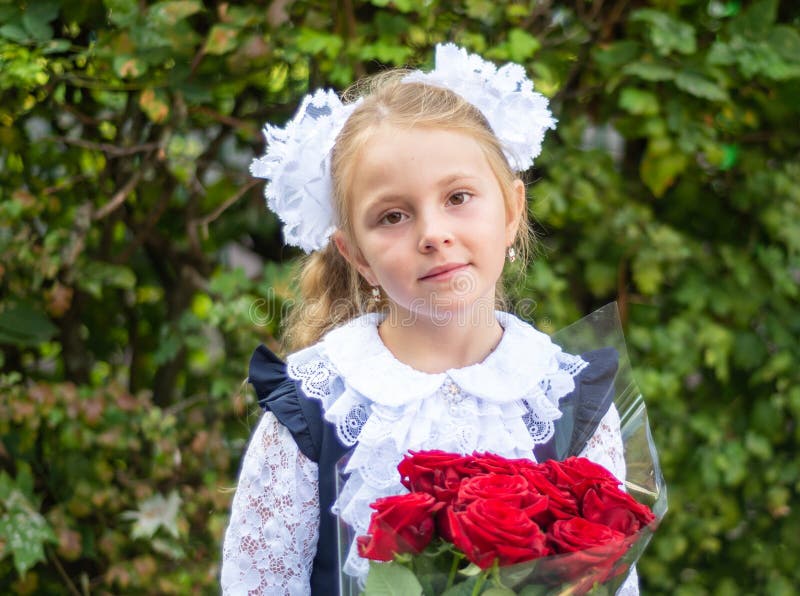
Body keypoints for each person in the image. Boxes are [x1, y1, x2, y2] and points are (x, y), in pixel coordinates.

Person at [221, 44, 638, 595]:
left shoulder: (571, 402)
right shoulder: (311, 410)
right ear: (357, 256)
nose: (433, 233)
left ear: (512, 211)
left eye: (459, 196)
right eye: (393, 215)